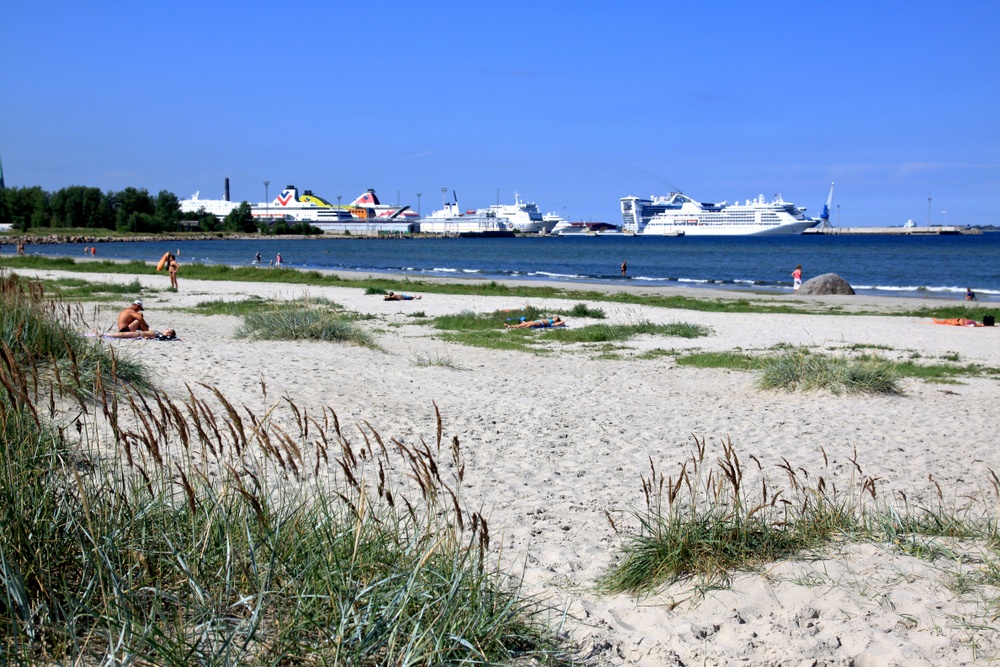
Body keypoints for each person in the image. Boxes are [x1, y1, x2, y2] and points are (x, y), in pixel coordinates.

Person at [103, 328, 177, 340]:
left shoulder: (163, 336)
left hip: (139, 334)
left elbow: (172, 338)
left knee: (121, 335)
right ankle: (104, 334)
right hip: (139, 333)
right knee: (122, 334)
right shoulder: (161, 334)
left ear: (169, 334)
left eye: (168, 330)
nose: (166, 330)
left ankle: (104, 334)